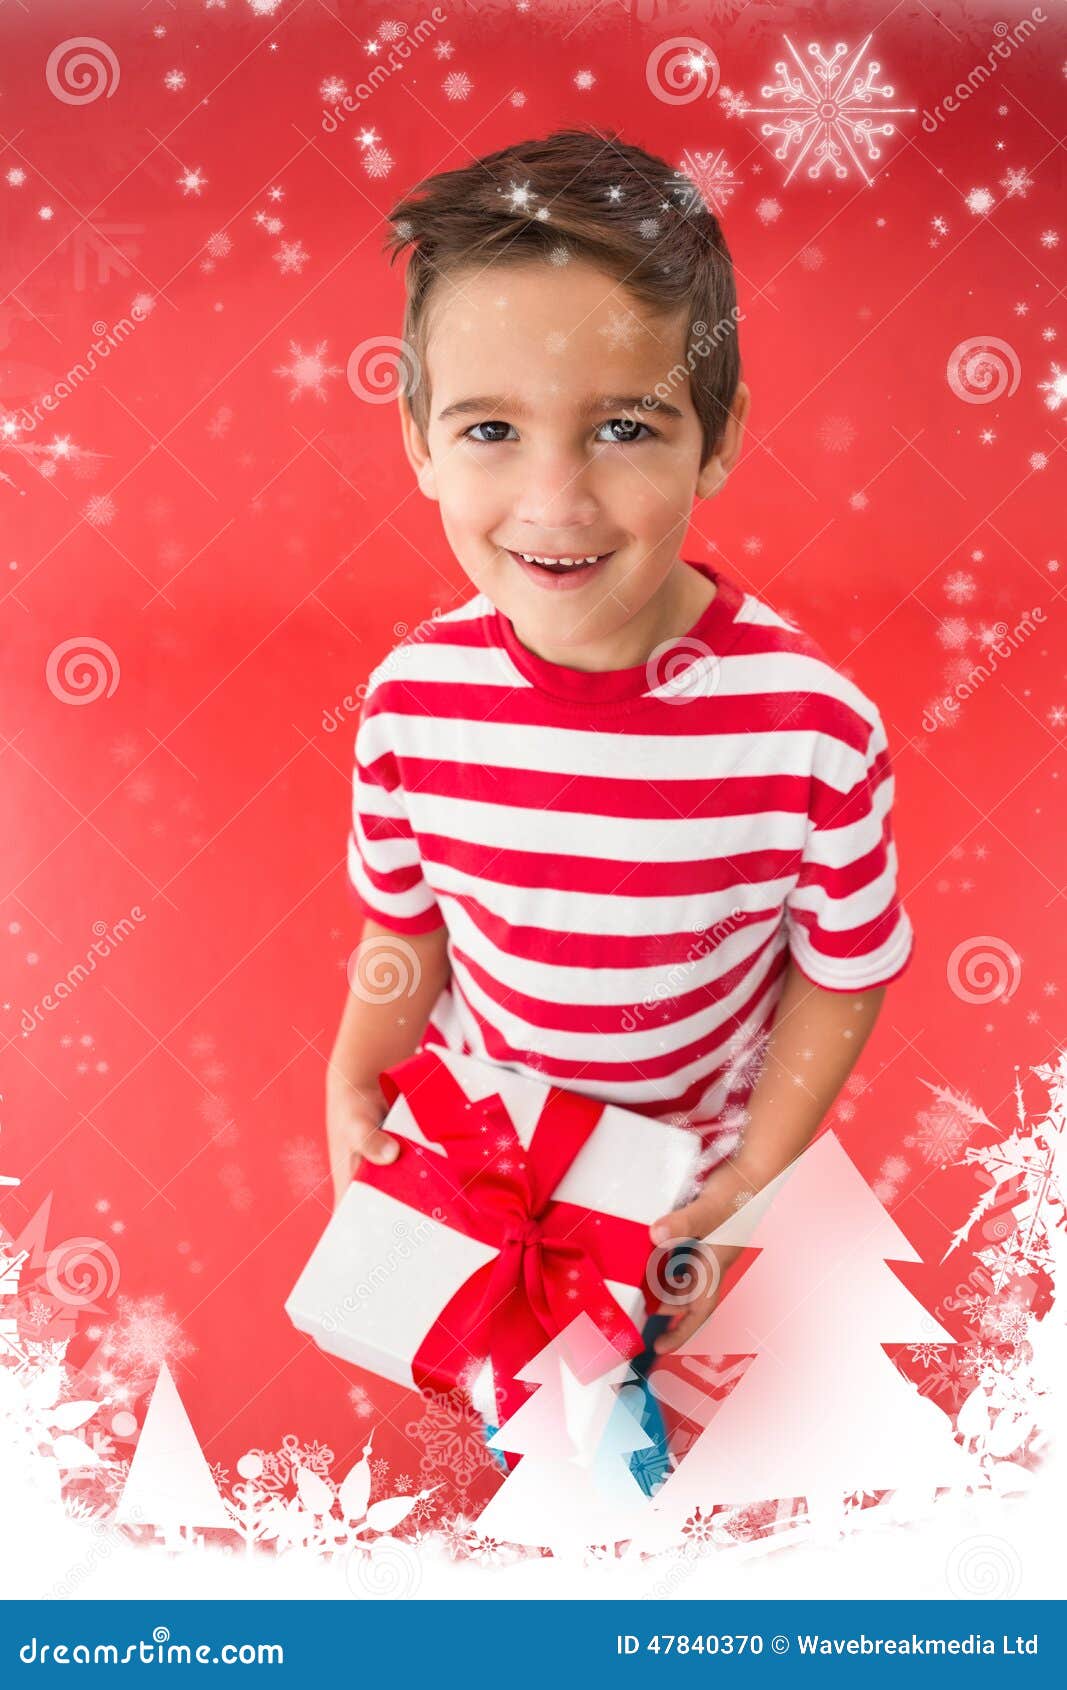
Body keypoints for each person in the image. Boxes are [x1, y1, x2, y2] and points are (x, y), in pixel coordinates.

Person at [324, 128, 915, 1483]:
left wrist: (752, 1170)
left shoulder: (809, 731)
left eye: (625, 426)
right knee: (522, 1408)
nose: (555, 498)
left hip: (672, 1169)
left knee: (645, 1428)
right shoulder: (411, 700)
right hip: (491, 1147)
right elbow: (405, 917)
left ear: (717, 438)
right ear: (419, 442)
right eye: (490, 428)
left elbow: (842, 973)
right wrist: (357, 1063)